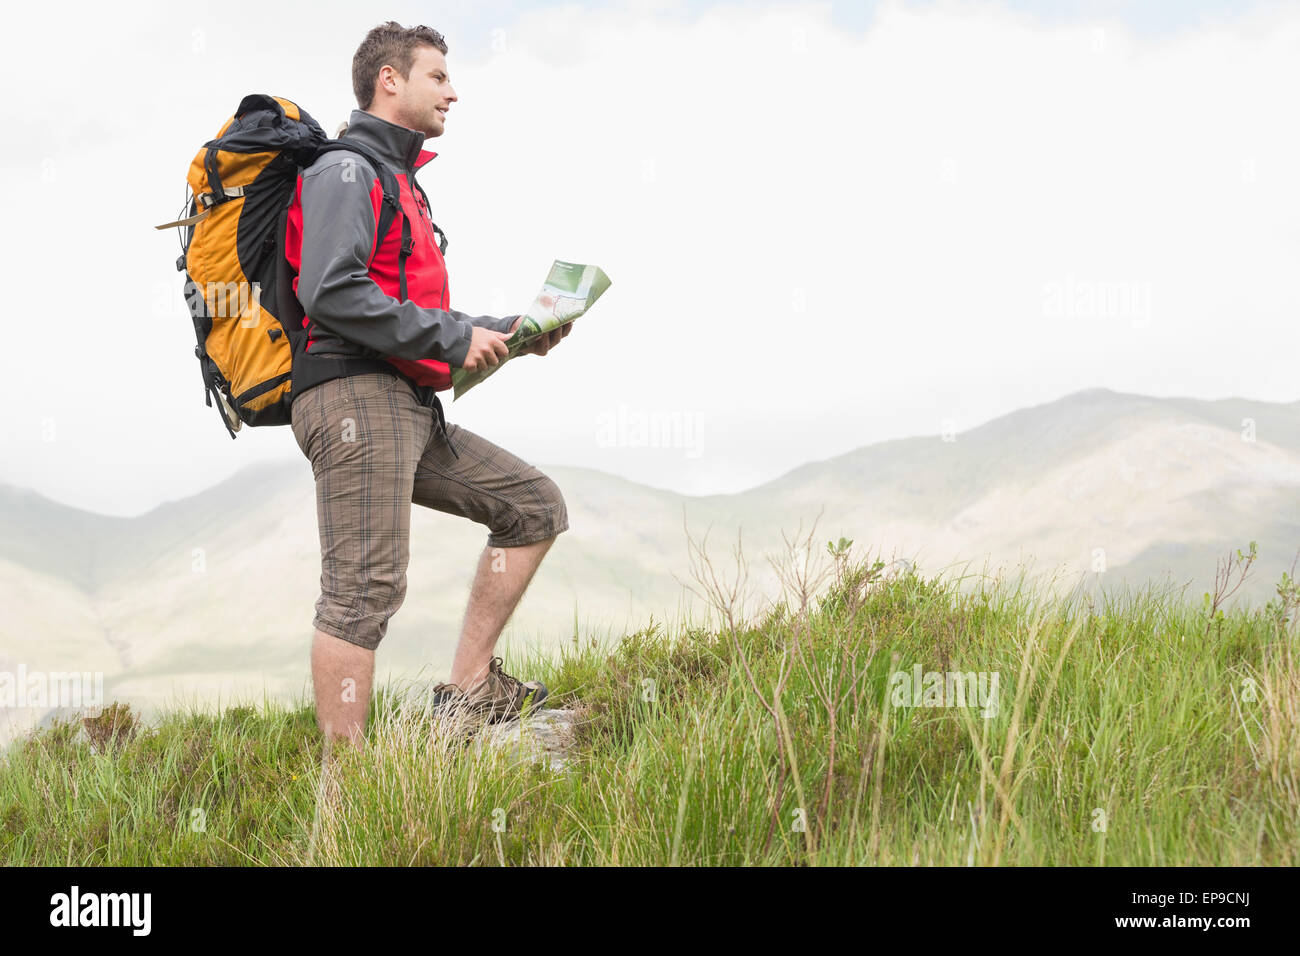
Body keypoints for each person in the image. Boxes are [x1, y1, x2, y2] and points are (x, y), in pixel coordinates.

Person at [286, 21, 573, 750]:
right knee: (363, 594)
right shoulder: (345, 171)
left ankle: (469, 691)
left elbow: (414, 310)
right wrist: (451, 339)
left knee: (532, 505)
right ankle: (343, 803)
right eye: (438, 76)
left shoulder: (400, 181)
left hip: (407, 401)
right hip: (354, 396)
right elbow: (332, 291)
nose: (454, 90)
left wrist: (514, 330)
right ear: (391, 80)